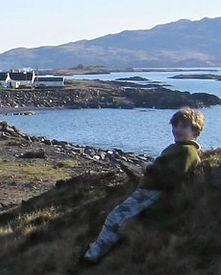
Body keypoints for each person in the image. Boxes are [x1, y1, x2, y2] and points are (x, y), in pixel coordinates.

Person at [82, 107, 204, 264]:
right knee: (118, 218)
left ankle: (93, 255)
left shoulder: (188, 152)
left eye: (183, 126)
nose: (177, 130)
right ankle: (99, 250)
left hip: (153, 192)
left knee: (115, 218)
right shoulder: (179, 148)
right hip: (149, 190)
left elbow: (172, 177)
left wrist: (149, 168)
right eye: (175, 125)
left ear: (195, 130)